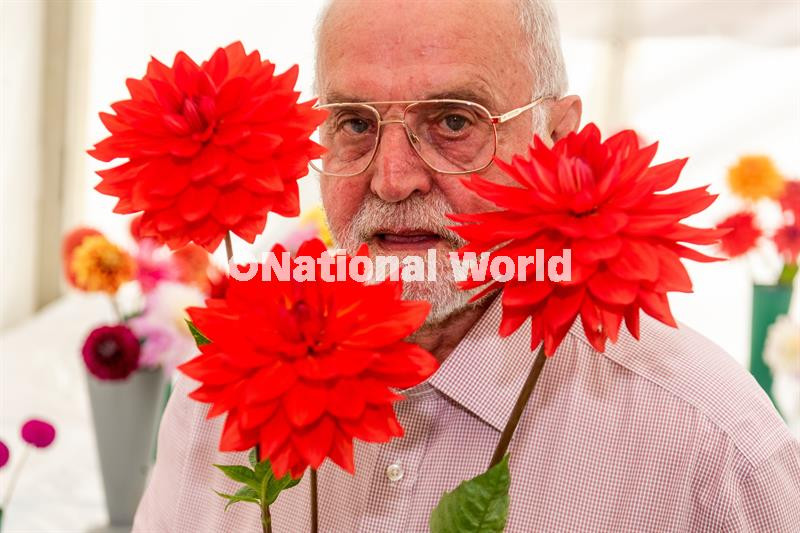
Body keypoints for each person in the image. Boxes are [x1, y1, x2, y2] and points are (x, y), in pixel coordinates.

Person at [133, 0, 800, 531]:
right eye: (355, 123)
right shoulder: (218, 391)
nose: (392, 179)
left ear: (558, 136)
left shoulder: (712, 447)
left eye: (454, 121)